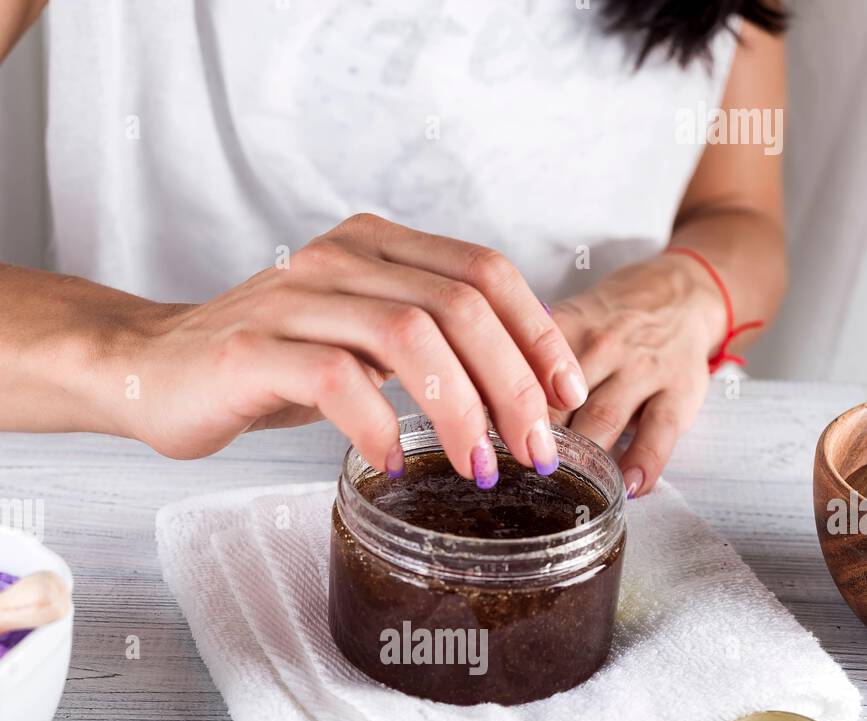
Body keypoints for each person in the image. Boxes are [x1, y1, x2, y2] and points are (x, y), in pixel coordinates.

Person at [0, 0, 787, 494]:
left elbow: (738, 210)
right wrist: (133, 346)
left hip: (605, 463)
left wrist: (680, 295)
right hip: (137, 490)